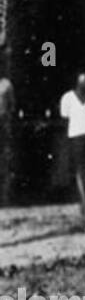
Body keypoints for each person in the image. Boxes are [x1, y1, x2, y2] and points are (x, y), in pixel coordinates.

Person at [57, 71, 85, 216]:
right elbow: (65, 118)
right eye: (83, 80)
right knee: (81, 170)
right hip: (76, 136)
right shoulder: (67, 98)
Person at [0, 72, 13, 205]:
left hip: (2, 124)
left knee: (4, 160)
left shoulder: (6, 84)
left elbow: (11, 105)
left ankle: (4, 197)